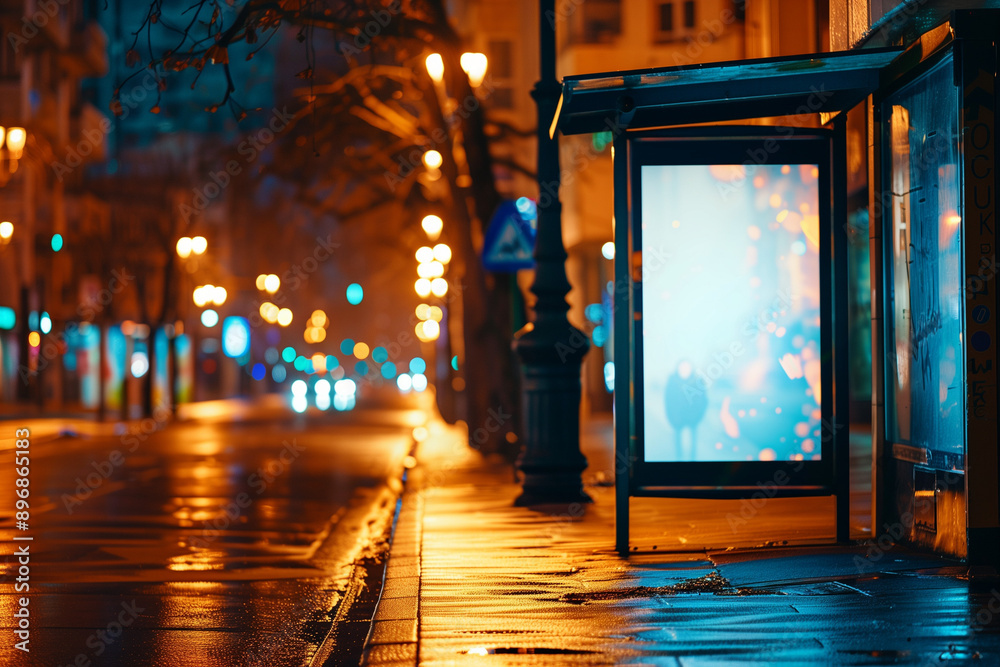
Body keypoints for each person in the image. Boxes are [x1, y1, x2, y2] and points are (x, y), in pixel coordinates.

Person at [664, 360, 708, 460]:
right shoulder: (673, 382)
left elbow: (703, 400)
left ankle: (693, 460)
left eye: (687, 368)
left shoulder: (697, 381)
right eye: (682, 368)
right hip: (677, 417)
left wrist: (698, 416)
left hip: (694, 417)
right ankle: (678, 459)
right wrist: (672, 417)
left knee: (693, 443)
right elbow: (668, 400)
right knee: (678, 442)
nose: (684, 371)